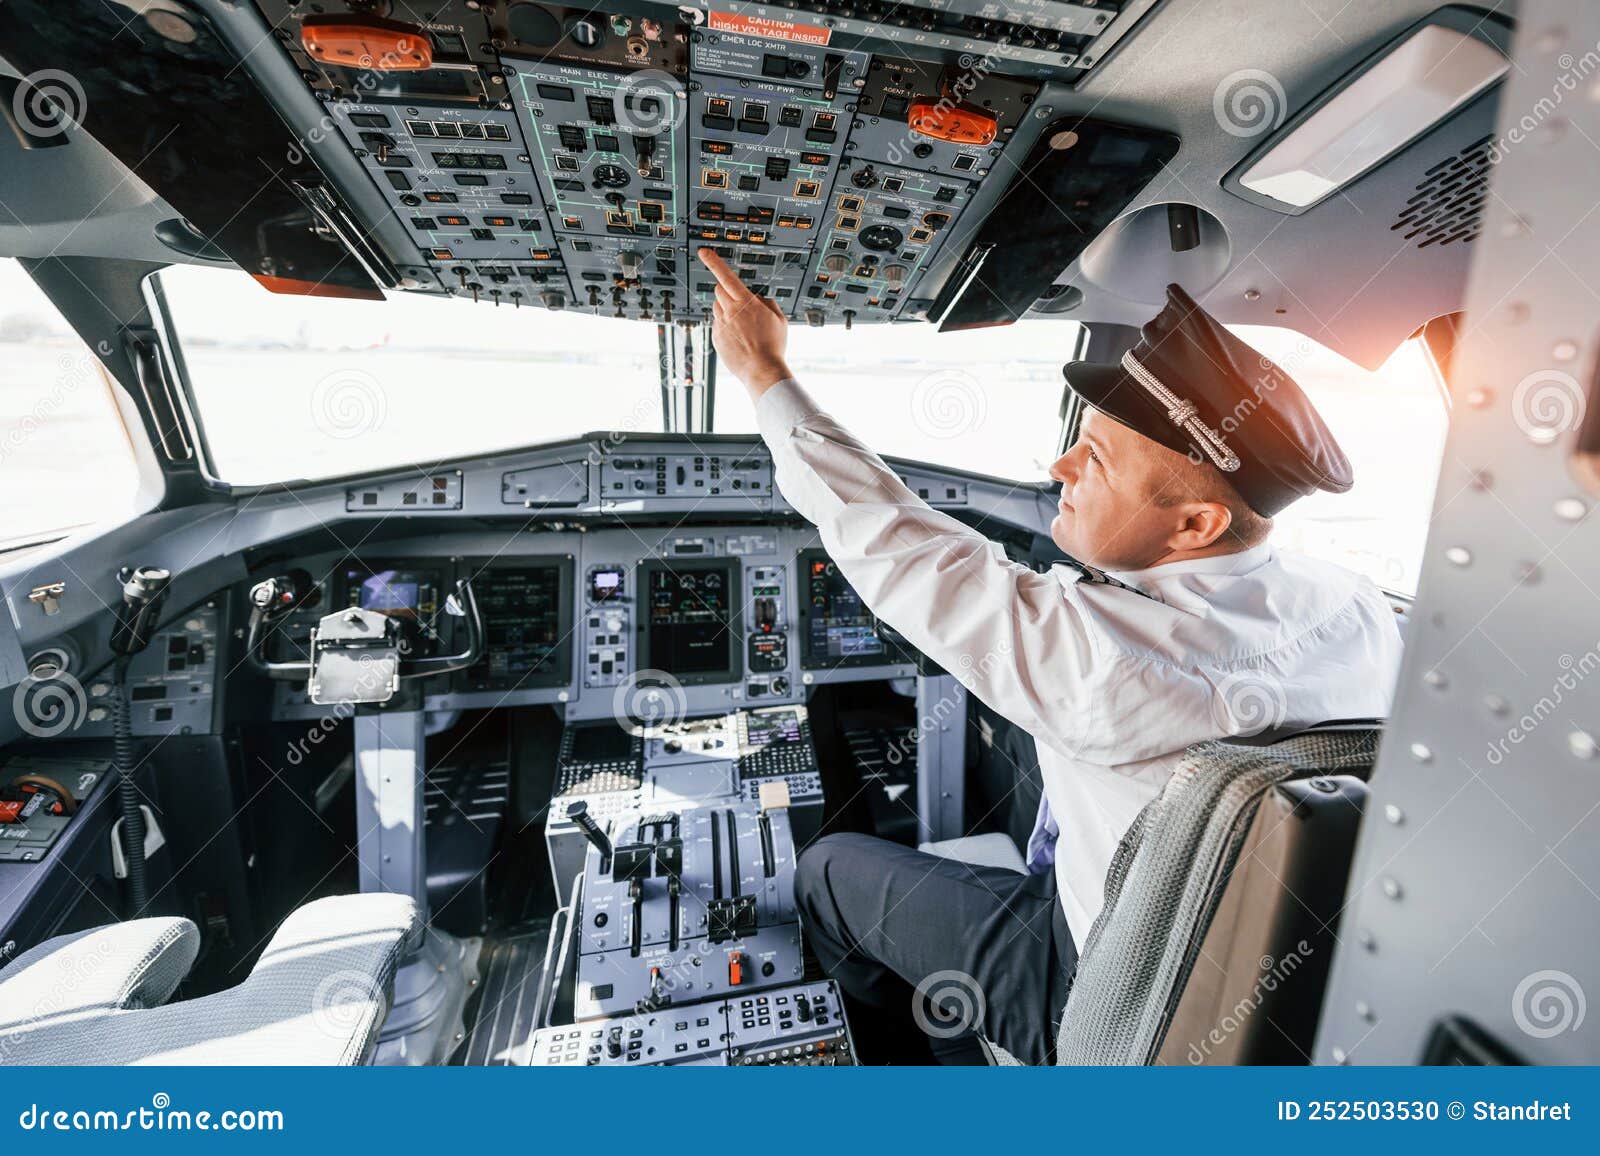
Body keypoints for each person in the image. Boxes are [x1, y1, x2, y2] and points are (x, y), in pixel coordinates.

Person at [696, 248, 1404, 1065]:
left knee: (824, 871)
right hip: (1248, 967)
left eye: (1094, 461)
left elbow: (895, 546)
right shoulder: (1355, 602)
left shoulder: (1108, 659)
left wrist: (764, 371)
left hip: (1104, 994)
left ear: (1196, 526)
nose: (1058, 467)